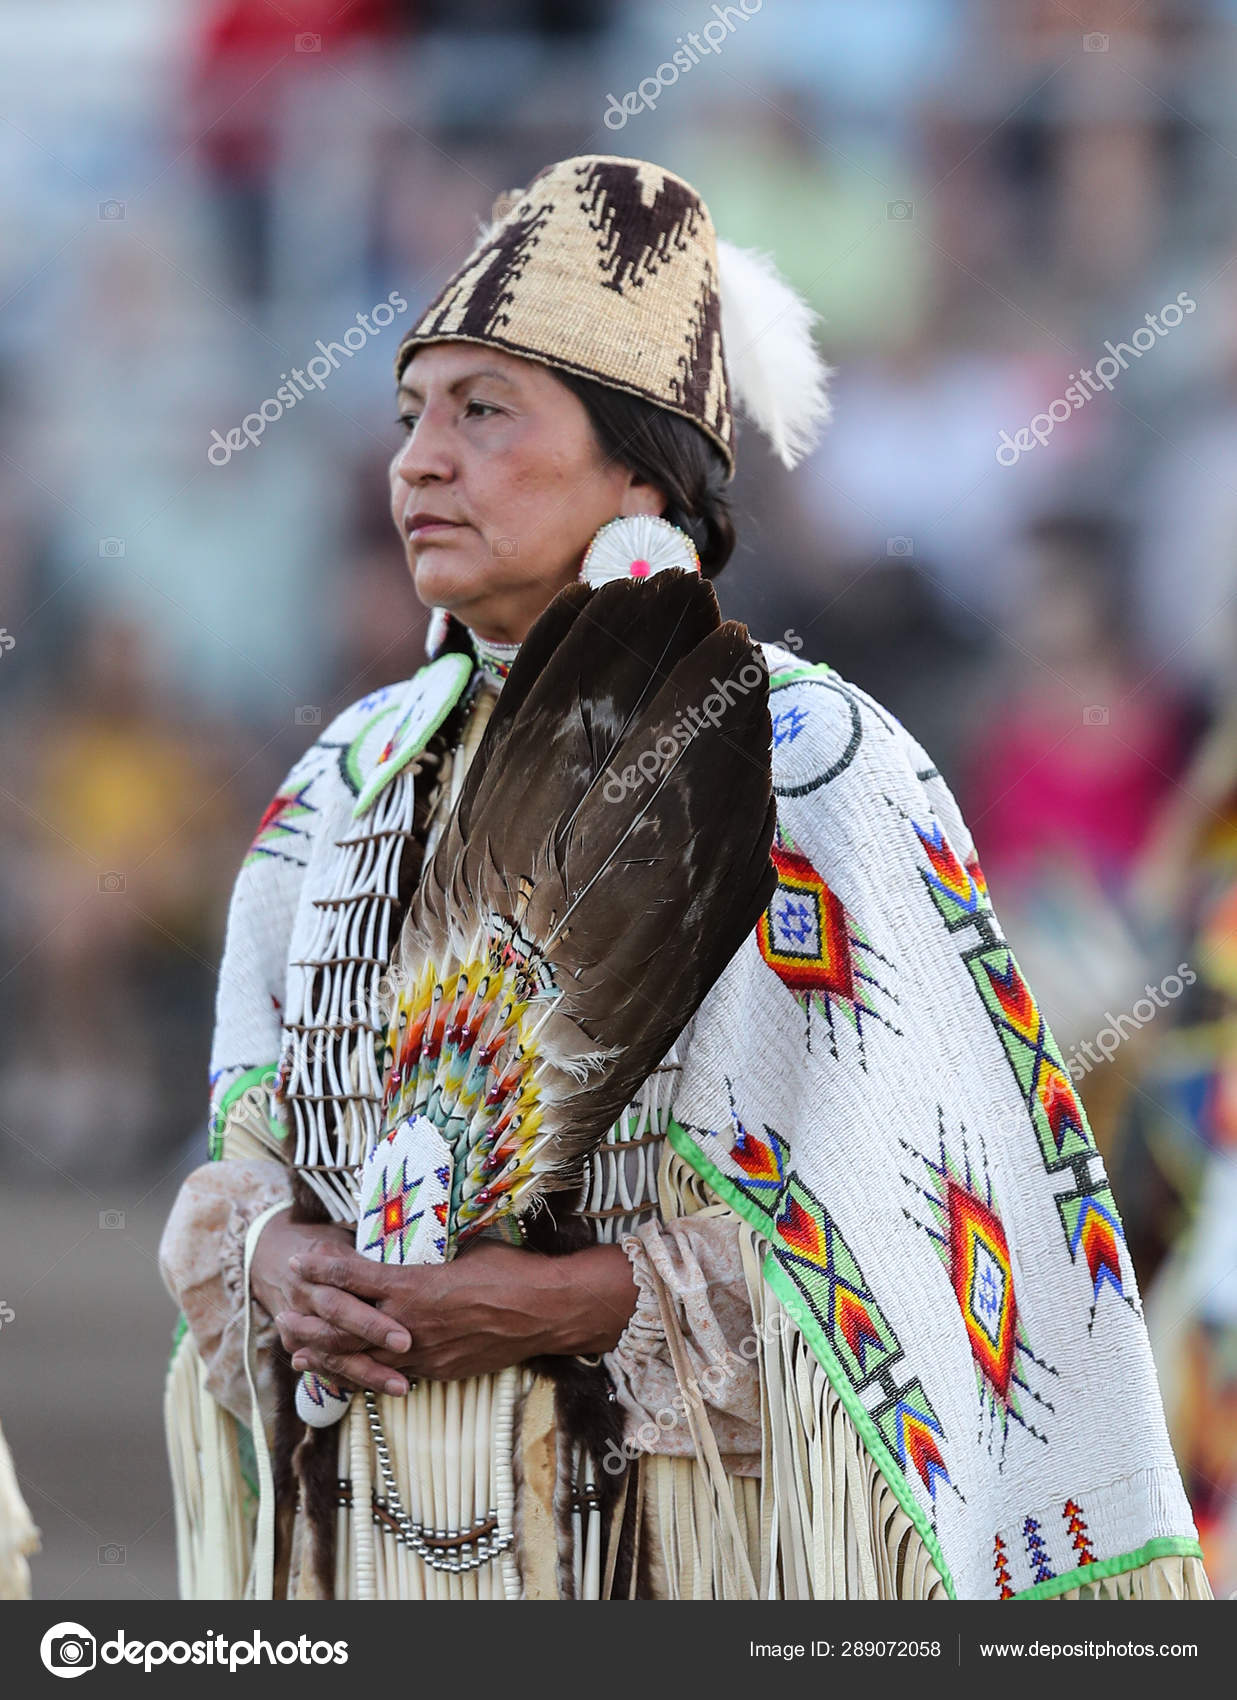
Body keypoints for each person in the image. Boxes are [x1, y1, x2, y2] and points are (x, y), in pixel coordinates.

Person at [158, 153, 1208, 1601]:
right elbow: (239, 1164)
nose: (416, 463)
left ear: (640, 469)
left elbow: (909, 1234)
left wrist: (565, 1306)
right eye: (409, 416)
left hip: (686, 1558)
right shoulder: (339, 787)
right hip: (373, 1552)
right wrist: (275, 1260)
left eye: (482, 414)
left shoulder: (811, 759)